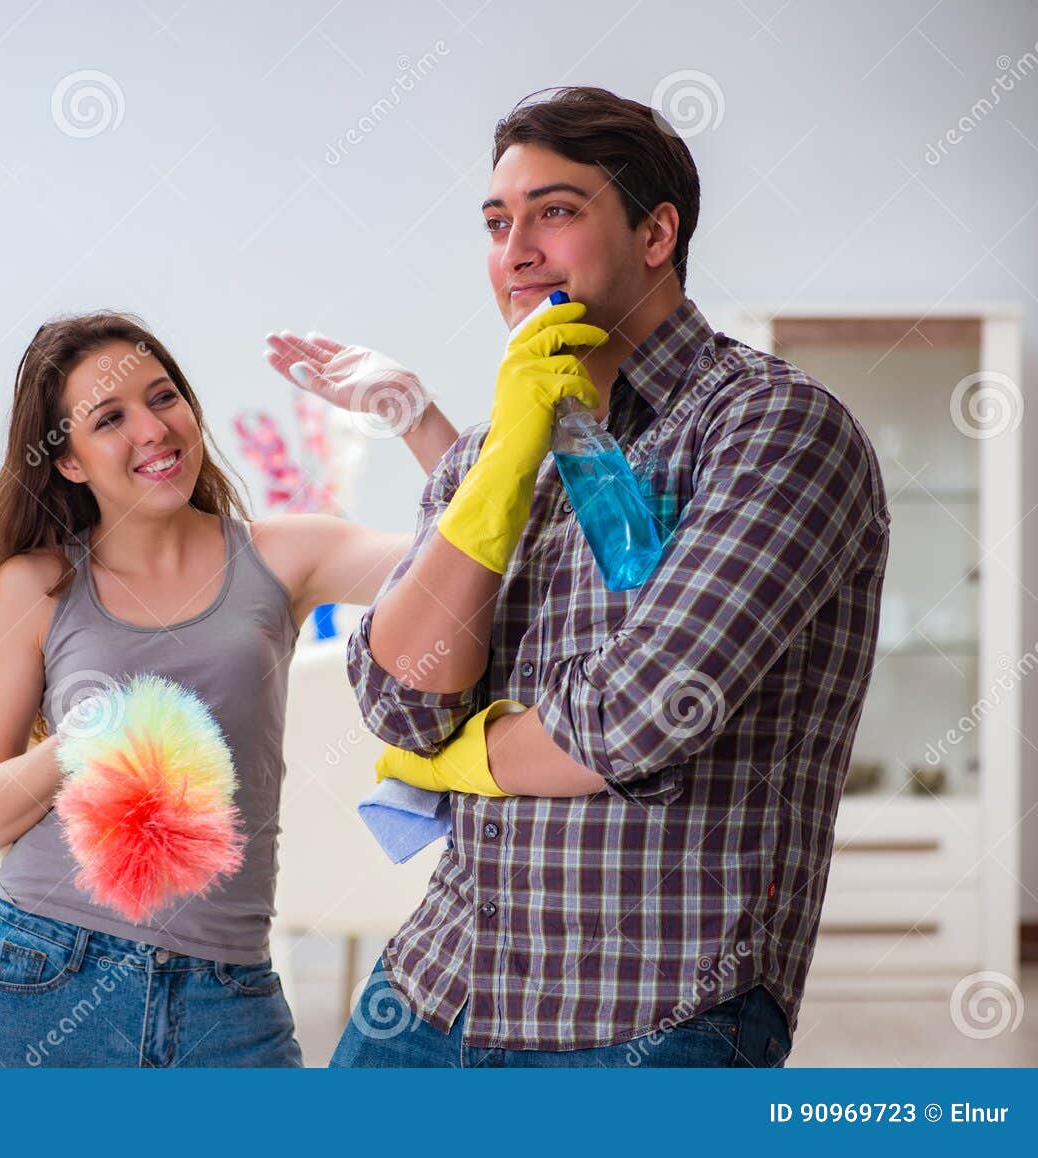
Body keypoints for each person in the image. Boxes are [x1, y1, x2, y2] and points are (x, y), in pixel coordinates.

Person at [280, 86, 890, 1067]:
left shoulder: (771, 428)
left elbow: (637, 715)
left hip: (652, 1007)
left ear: (656, 234)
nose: (516, 250)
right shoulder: (487, 451)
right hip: (435, 986)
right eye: (496, 223)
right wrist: (505, 464)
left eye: (554, 212)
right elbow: (400, 702)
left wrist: (459, 761)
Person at [0, 309, 456, 1066]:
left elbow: (479, 563)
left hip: (227, 991)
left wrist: (415, 416)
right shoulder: (36, 585)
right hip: (50, 967)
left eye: (163, 398)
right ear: (69, 462)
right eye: (110, 419)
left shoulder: (287, 555)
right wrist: (82, 741)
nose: (153, 430)